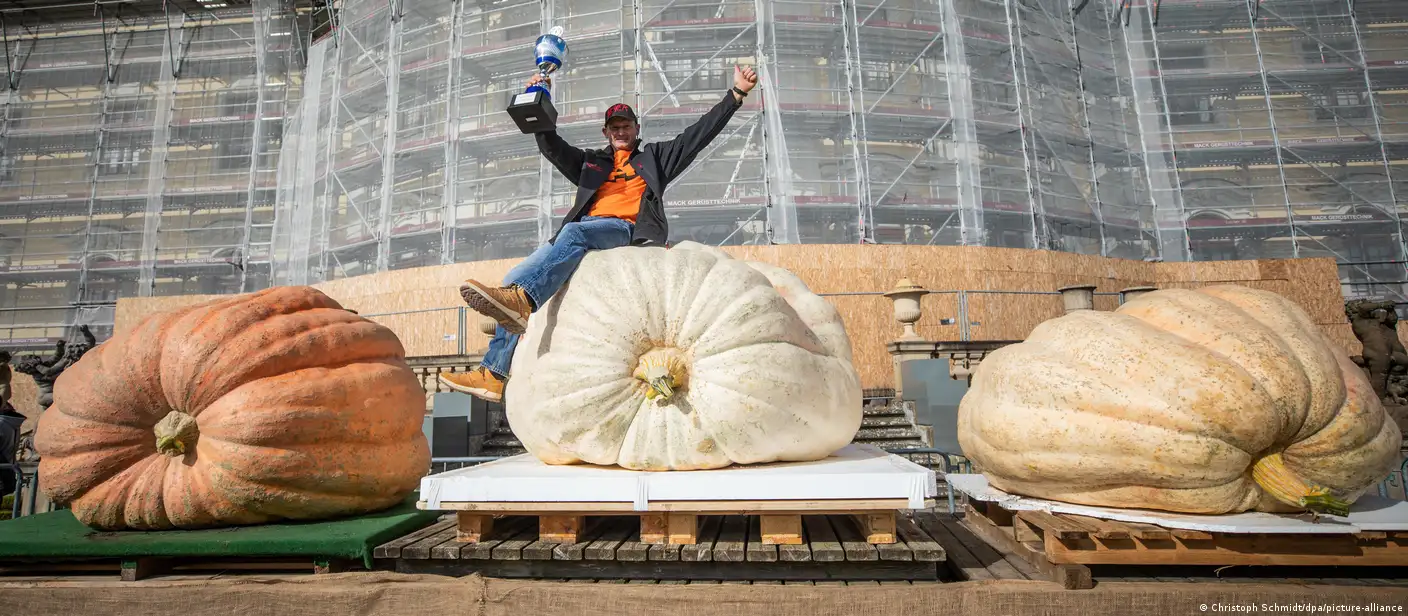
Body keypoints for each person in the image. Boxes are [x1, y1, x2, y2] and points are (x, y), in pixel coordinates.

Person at [440, 64, 759, 402]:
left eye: (626, 126)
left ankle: (523, 301)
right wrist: (536, 97)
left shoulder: (655, 157)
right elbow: (551, 146)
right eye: (614, 127)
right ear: (605, 132)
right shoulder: (591, 163)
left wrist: (735, 94)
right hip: (586, 232)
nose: (620, 131)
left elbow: (698, 135)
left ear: (637, 129)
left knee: (573, 235)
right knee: (514, 277)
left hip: (628, 231)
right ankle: (494, 373)